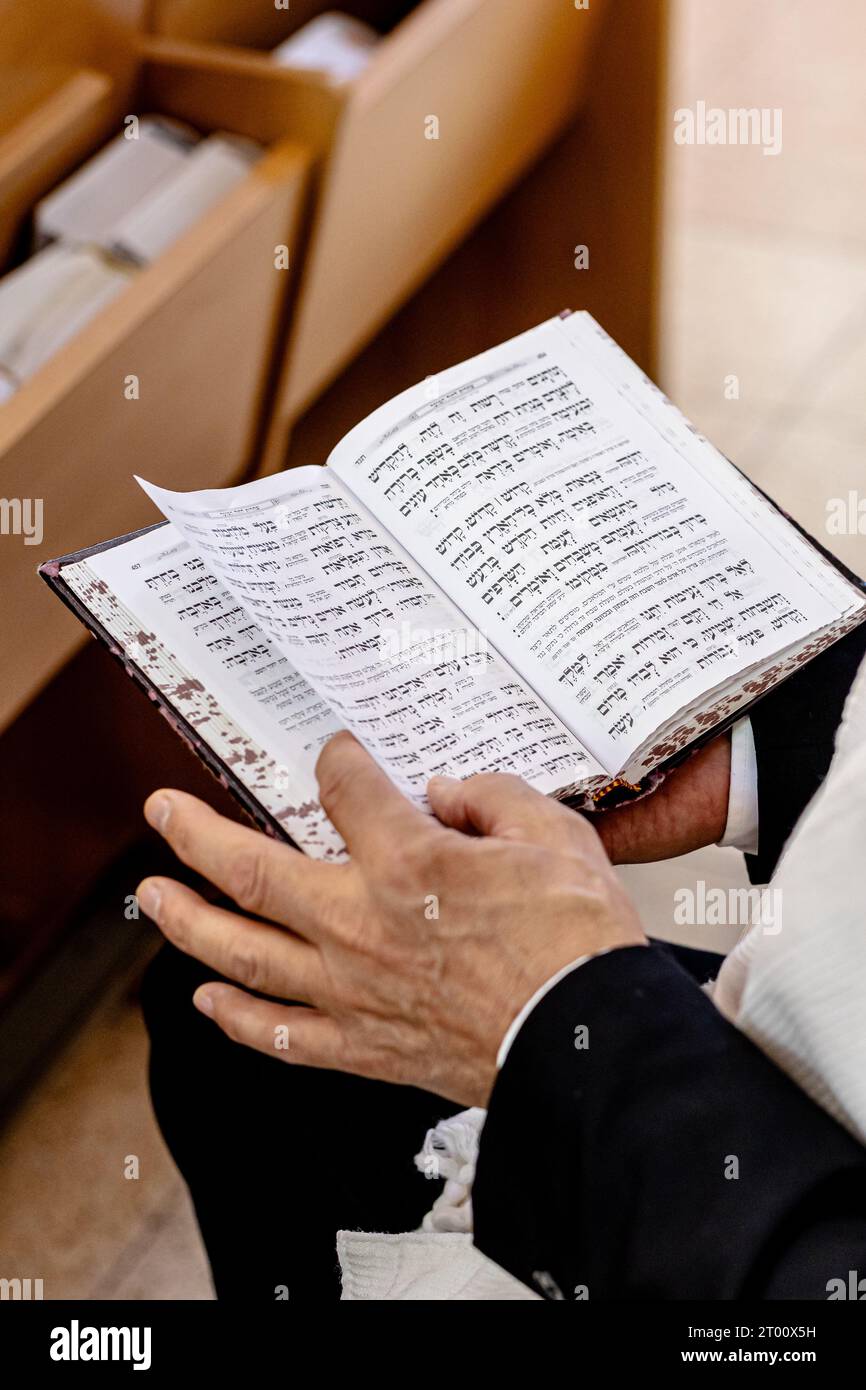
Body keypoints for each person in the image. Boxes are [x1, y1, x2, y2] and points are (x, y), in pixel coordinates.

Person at [139, 621, 866, 1300]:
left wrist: (563, 1021)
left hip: (763, 1205)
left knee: (258, 1017)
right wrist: (784, 737)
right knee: (234, 994)